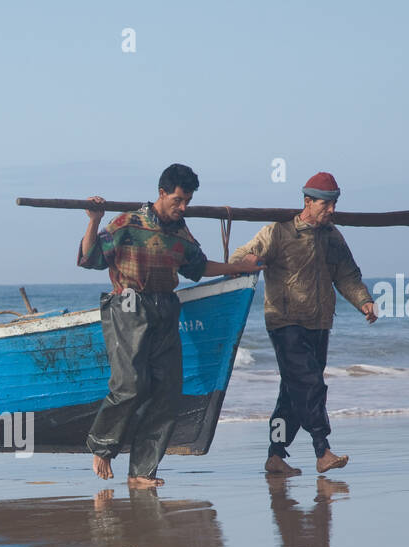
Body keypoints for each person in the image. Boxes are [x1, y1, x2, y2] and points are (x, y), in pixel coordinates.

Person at [77, 164, 261, 487]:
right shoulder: (127, 223)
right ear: (162, 193)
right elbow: (89, 258)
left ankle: (142, 472)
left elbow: (199, 267)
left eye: (187, 201)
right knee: (131, 384)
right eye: (178, 200)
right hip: (129, 304)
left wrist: (237, 268)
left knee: (167, 393)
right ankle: (102, 447)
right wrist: (93, 220)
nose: (183, 207)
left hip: (165, 308)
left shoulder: (180, 233)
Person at [229, 172, 378, 476]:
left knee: (292, 393)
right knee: (310, 385)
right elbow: (241, 256)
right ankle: (322, 449)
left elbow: (347, 275)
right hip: (285, 323)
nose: (332, 210)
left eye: (335, 203)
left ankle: (275, 456)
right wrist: (248, 264)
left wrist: (363, 300)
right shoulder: (278, 232)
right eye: (326, 204)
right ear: (308, 202)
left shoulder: (332, 236)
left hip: (319, 322)